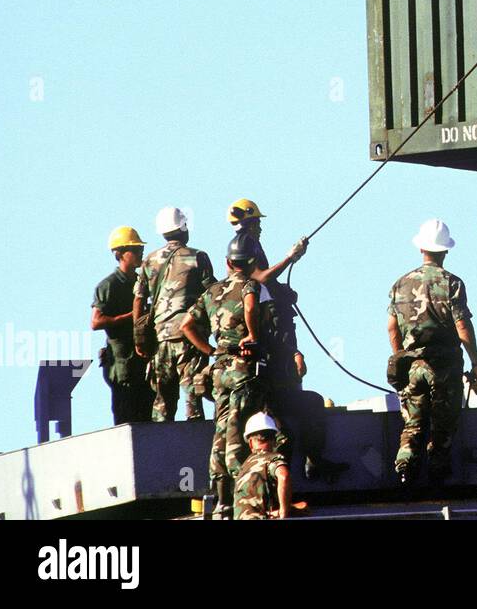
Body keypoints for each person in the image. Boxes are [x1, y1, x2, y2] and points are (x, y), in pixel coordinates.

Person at [181, 232, 305, 518]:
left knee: (221, 430)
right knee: (239, 430)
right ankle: (241, 496)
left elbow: (186, 324)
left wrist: (210, 350)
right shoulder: (250, 285)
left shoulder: (211, 291)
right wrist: (251, 335)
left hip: (219, 369)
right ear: (251, 263)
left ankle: (220, 497)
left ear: (227, 261)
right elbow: (250, 305)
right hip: (242, 370)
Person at [228, 197, 345, 481]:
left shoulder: (246, 249)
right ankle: (293, 473)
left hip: (275, 357)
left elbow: (269, 287)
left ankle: (309, 464)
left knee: (306, 403)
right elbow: (261, 279)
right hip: (268, 371)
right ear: (248, 222)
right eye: (257, 222)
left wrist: (282, 294)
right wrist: (291, 258)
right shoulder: (247, 247)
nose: (260, 228)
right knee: (295, 415)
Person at [387, 218, 477, 485]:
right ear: (445, 251)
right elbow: (462, 327)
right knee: (443, 424)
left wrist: (401, 357)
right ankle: (437, 472)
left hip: (413, 367)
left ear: (421, 248)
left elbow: (392, 329)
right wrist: (475, 365)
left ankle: (405, 468)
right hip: (445, 367)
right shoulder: (452, 283)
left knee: (413, 423)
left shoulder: (400, 284)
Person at [132, 206, 216, 421]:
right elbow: (213, 295)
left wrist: (139, 335)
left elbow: (139, 299)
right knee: (193, 398)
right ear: (184, 228)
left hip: (160, 339)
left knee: (162, 402)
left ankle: (159, 448)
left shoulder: (149, 260)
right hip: (189, 336)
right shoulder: (197, 257)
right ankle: (195, 449)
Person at [91, 226, 154, 424]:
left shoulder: (140, 281)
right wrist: (132, 316)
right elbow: (96, 321)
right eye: (134, 249)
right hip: (123, 366)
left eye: (140, 249)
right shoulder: (109, 285)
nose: (140, 253)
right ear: (119, 253)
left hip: (142, 362)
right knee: (127, 420)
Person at [233, 413, 292, 520]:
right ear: (274, 440)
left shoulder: (245, 466)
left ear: (250, 443)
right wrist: (284, 512)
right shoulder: (271, 458)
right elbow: (284, 475)